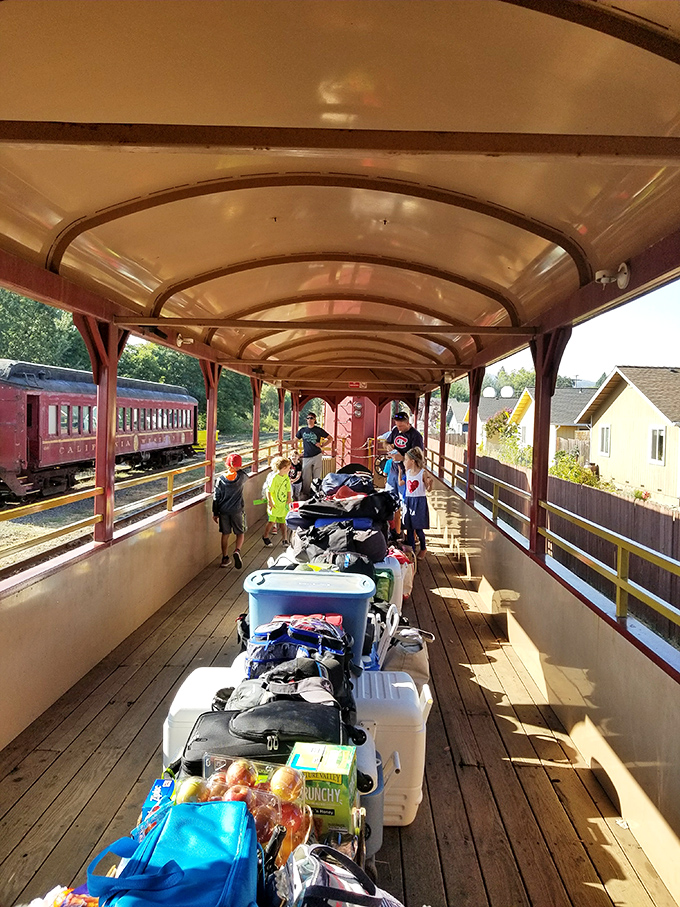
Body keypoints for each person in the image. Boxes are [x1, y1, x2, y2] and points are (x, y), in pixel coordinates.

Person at [212, 452, 248, 569]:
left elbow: (216, 497)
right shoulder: (241, 477)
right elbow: (244, 473)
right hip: (237, 510)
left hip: (223, 511)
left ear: (227, 465)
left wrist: (215, 512)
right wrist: (238, 468)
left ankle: (225, 558)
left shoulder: (220, 480)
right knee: (240, 532)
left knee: (225, 534)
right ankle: (237, 550)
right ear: (239, 466)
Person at [399, 447, 433, 560]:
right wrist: (399, 474)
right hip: (408, 501)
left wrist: (429, 484)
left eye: (406, 460)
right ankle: (412, 550)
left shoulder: (423, 473)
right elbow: (401, 483)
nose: (404, 462)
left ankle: (423, 548)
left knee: (418, 528)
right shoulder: (408, 473)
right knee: (409, 528)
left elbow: (428, 489)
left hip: (419, 502)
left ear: (412, 461)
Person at [295, 411, 332, 499]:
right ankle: (305, 496)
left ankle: (316, 495)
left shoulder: (318, 430)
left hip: (317, 455)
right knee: (306, 478)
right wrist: (282, 442)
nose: (309, 420)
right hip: (306, 456)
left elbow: (330, 438)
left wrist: (322, 446)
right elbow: (294, 440)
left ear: (315, 420)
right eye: (308, 418)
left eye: (311, 418)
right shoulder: (302, 430)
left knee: (316, 477)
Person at [263, 456, 292, 546]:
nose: (289, 469)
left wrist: (289, 498)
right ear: (283, 468)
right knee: (271, 521)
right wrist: (270, 502)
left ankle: (285, 539)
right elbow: (269, 490)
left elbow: (288, 489)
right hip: (274, 504)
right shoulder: (274, 478)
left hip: (283, 504)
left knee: (283, 522)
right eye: (288, 468)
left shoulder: (286, 477)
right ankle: (265, 536)